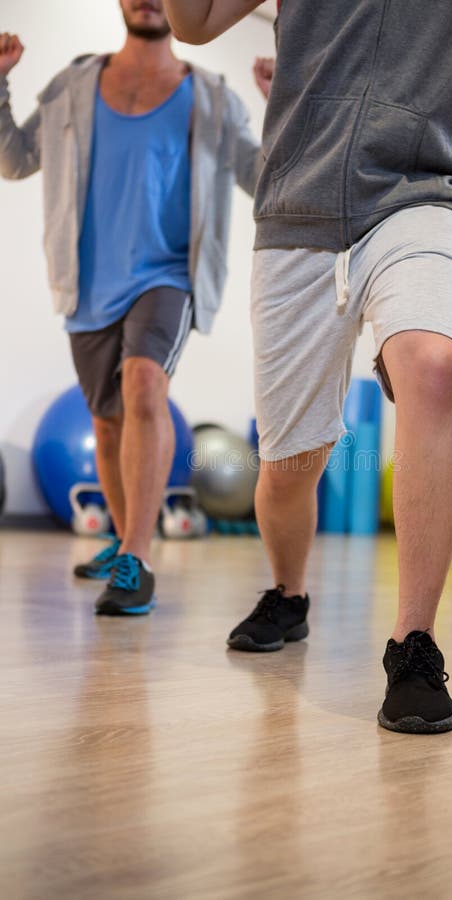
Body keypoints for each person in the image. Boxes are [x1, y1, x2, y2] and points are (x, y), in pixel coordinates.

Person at [174, 0, 452, 735]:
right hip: (297, 211)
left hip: (425, 195)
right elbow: (195, 22)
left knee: (435, 366)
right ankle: (288, 592)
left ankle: (414, 644)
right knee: (289, 461)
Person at [0, 0, 262, 616]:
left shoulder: (214, 99)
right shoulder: (73, 85)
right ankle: (122, 541)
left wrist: (287, 109)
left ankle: (137, 561)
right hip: (86, 284)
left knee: (144, 386)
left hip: (171, 275)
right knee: (108, 420)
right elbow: (14, 159)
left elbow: (264, 175)